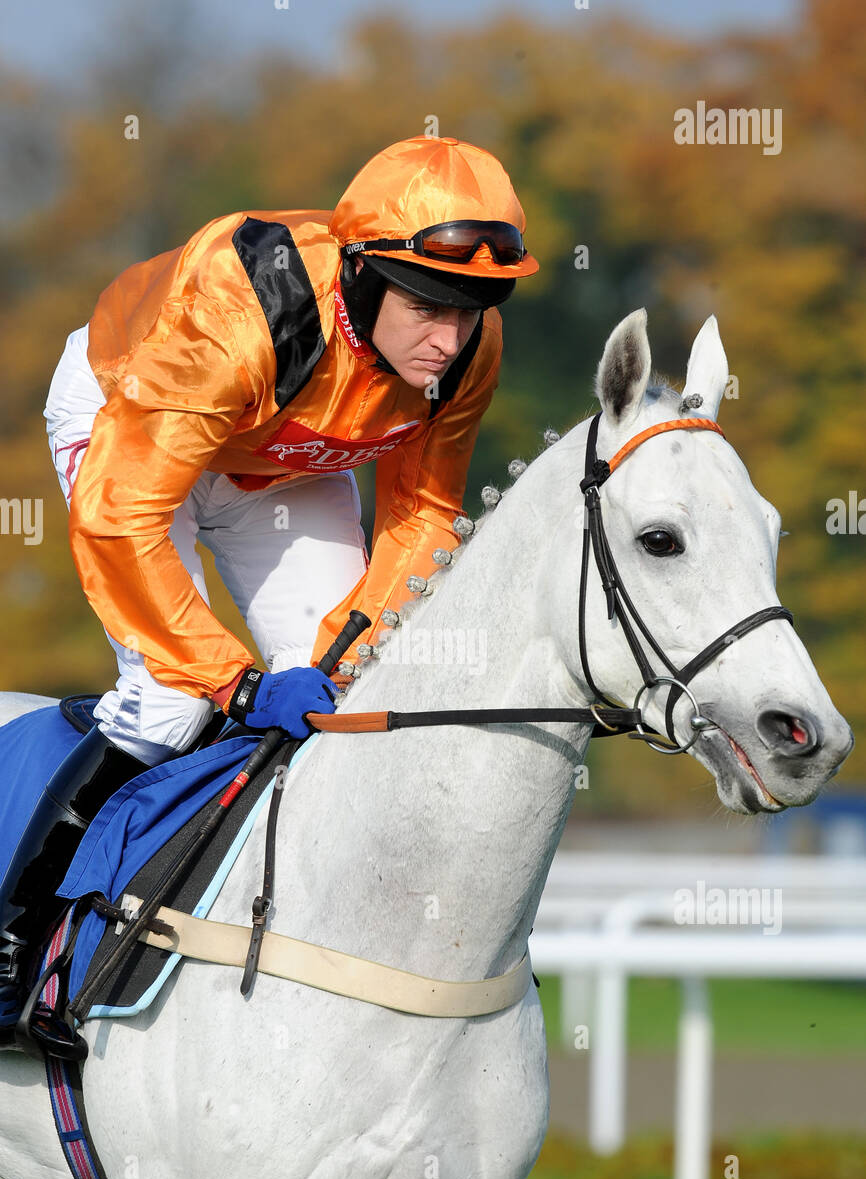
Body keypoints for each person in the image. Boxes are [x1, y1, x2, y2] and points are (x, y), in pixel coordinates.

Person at [0, 134, 539, 1046]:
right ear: (361, 273)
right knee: (170, 700)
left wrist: (342, 655)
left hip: (279, 464)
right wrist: (237, 685)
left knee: (343, 695)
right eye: (428, 306)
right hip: (134, 419)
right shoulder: (244, 309)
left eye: (479, 306)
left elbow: (422, 518)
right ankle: (17, 941)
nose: (450, 338)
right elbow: (123, 516)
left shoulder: (463, 352)